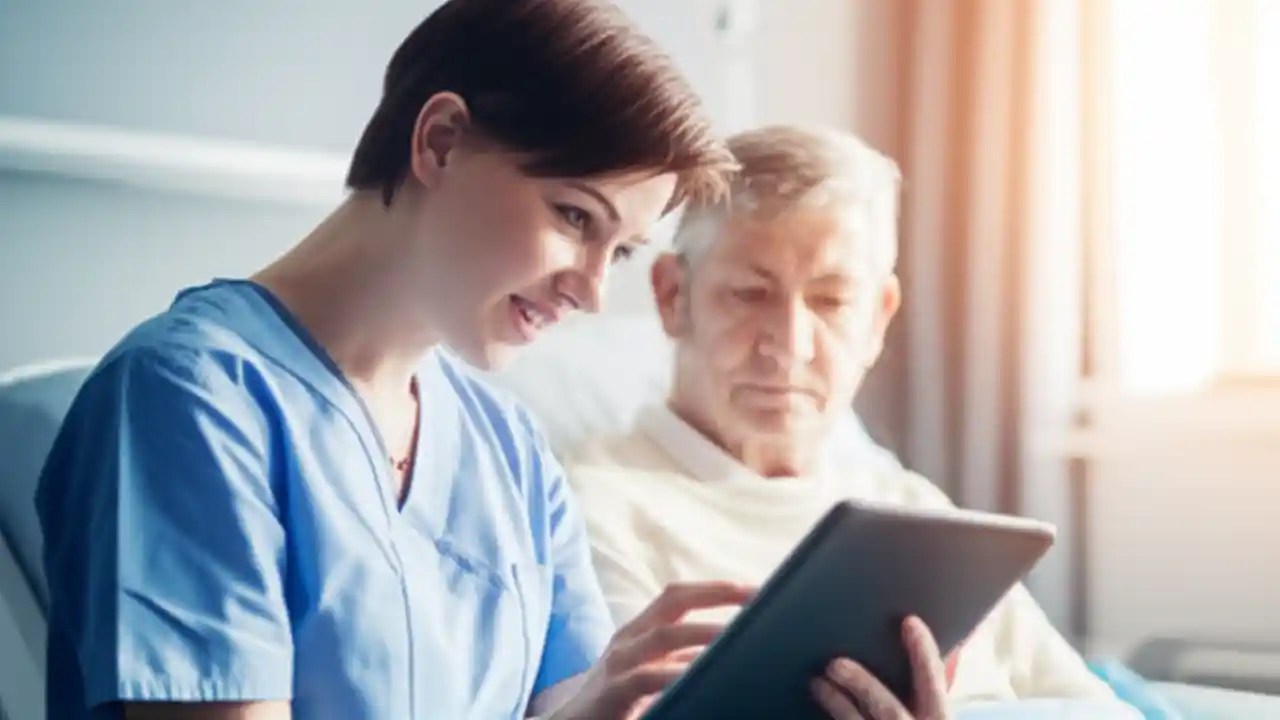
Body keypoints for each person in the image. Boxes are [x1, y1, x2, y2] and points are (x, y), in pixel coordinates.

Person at [35, 3, 953, 719]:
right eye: (575, 217)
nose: (591, 291)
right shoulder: (190, 404)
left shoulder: (509, 451)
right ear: (439, 141)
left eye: (622, 252)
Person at [565, 125, 1126, 711]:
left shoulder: (917, 511)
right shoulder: (600, 509)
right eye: (750, 294)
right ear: (672, 296)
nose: (790, 346)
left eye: (831, 301)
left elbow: (1102, 709)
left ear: (879, 318)